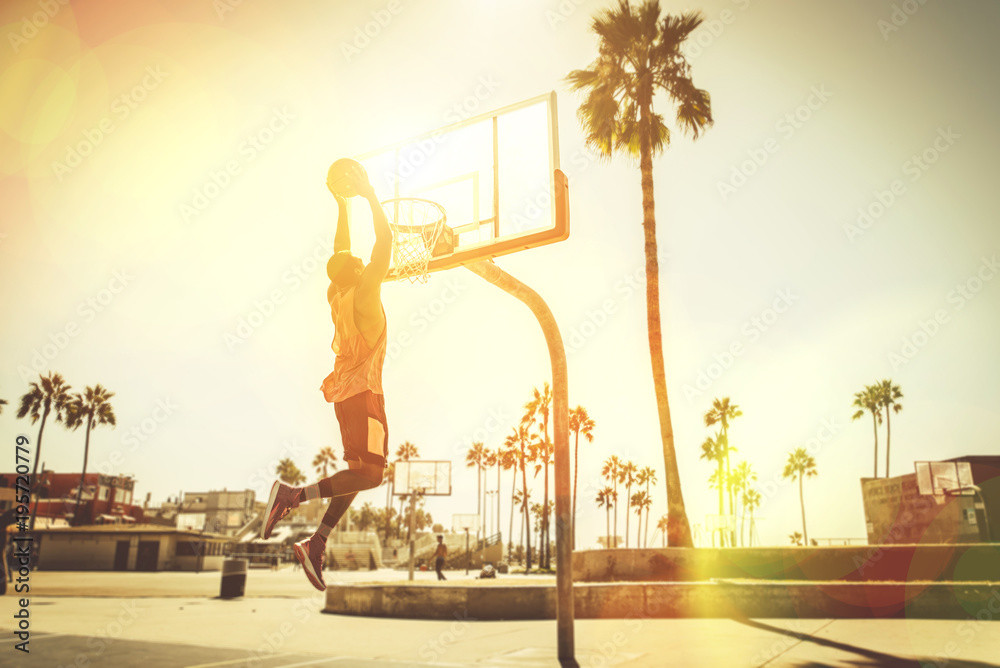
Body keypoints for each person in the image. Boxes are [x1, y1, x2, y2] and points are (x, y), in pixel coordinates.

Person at [262, 165, 392, 591]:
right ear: (356, 273)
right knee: (372, 475)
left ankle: (316, 542)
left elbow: (341, 252)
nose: (361, 260)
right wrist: (369, 195)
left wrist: (341, 206)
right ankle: (293, 496)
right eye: (358, 263)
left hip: (344, 395)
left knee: (358, 472)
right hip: (364, 394)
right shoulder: (366, 293)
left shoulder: (337, 293)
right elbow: (383, 244)